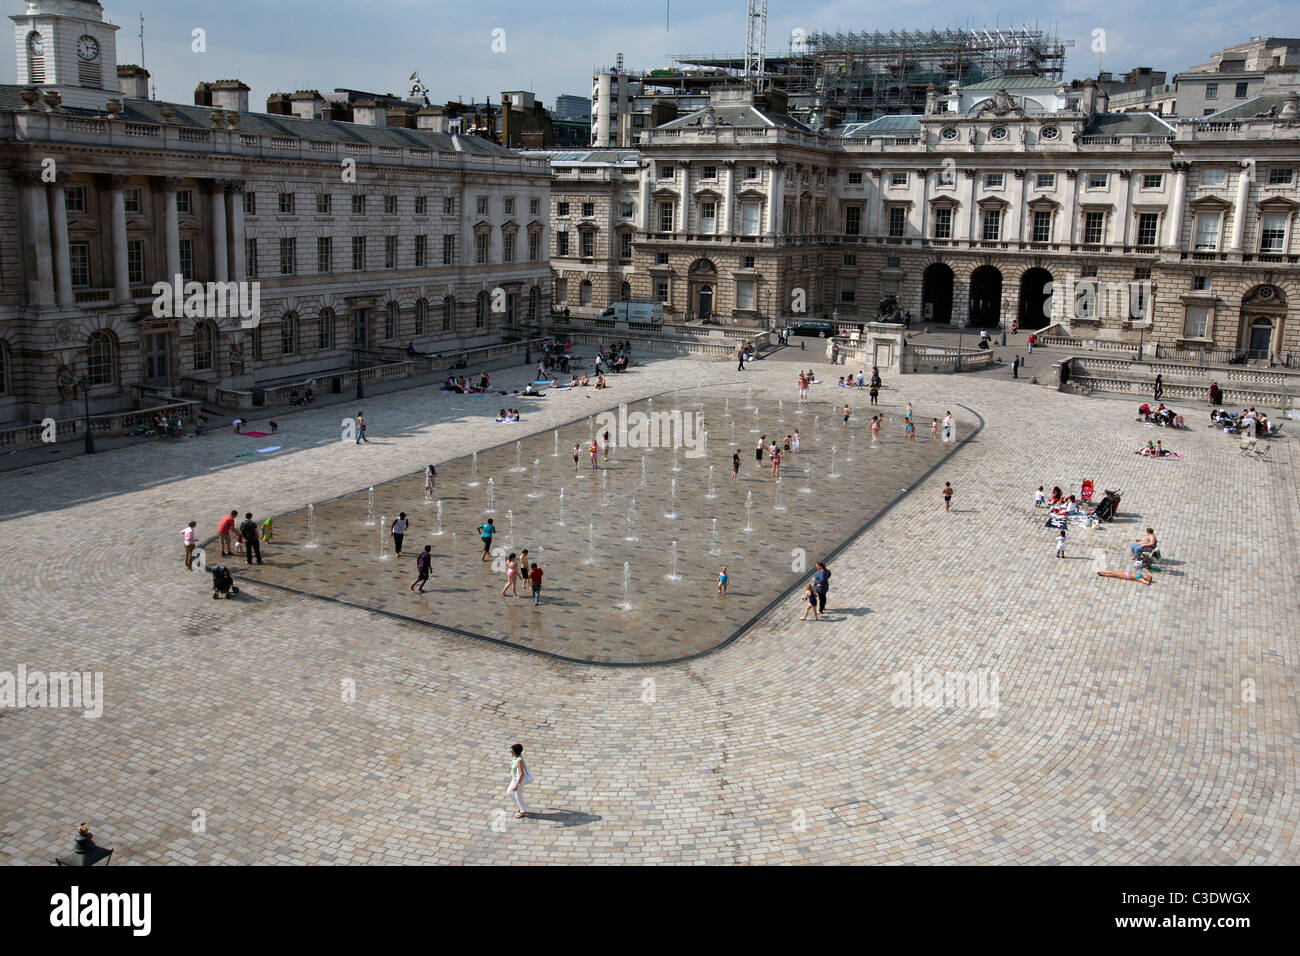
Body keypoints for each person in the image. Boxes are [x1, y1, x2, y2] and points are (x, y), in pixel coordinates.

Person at [508, 743, 531, 819]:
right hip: (514, 779)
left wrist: (517, 784)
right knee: (509, 792)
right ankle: (521, 807)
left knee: (518, 796)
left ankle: (523, 811)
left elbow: (521, 773)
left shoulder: (519, 760)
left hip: (518, 781)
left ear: (516, 752)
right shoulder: (515, 757)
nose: (510, 752)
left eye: (512, 751)